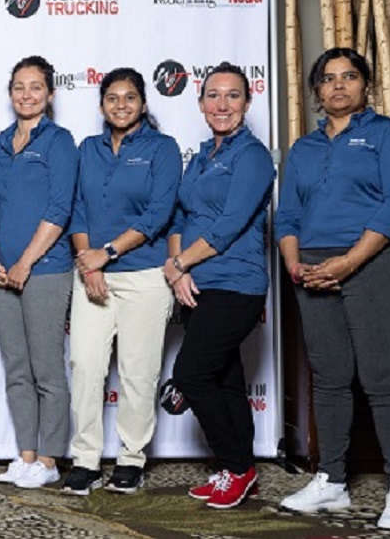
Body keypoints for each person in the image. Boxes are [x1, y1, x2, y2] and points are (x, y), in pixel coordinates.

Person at [276, 48, 390, 531]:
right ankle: (331, 480)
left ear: (365, 85)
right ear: (317, 90)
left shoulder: (388, 134)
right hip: (313, 268)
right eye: (329, 79)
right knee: (330, 378)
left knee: (383, 378)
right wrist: (296, 266)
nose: (338, 86)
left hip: (373, 262)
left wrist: (349, 262)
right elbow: (289, 214)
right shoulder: (304, 149)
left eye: (349, 76)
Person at [62, 68, 182, 496]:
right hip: (92, 274)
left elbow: (159, 214)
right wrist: (90, 265)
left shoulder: (163, 149)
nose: (121, 105)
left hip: (145, 275)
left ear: (144, 104)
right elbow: (76, 210)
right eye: (112, 98)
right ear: (101, 105)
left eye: (130, 97)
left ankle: (131, 459)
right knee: (87, 367)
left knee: (138, 371)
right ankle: (86, 459)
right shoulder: (87, 148)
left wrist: (107, 253)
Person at [162, 62, 274, 510]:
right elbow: (180, 217)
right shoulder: (203, 155)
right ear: (201, 102)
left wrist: (178, 263)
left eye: (232, 96)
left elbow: (229, 225)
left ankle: (238, 467)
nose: (221, 104)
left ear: (247, 102)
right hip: (196, 285)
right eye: (213, 95)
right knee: (226, 381)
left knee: (191, 375)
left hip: (236, 284)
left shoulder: (252, 156)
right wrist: (180, 269)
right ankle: (238, 470)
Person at [0, 56, 77, 490]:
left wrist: (26, 263)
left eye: (35, 87)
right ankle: (26, 456)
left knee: (47, 370)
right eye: (19, 86)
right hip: (1, 271)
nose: (26, 94)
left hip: (45, 270)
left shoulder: (59, 142)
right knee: (17, 367)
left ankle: (51, 460)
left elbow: (60, 209)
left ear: (50, 94)